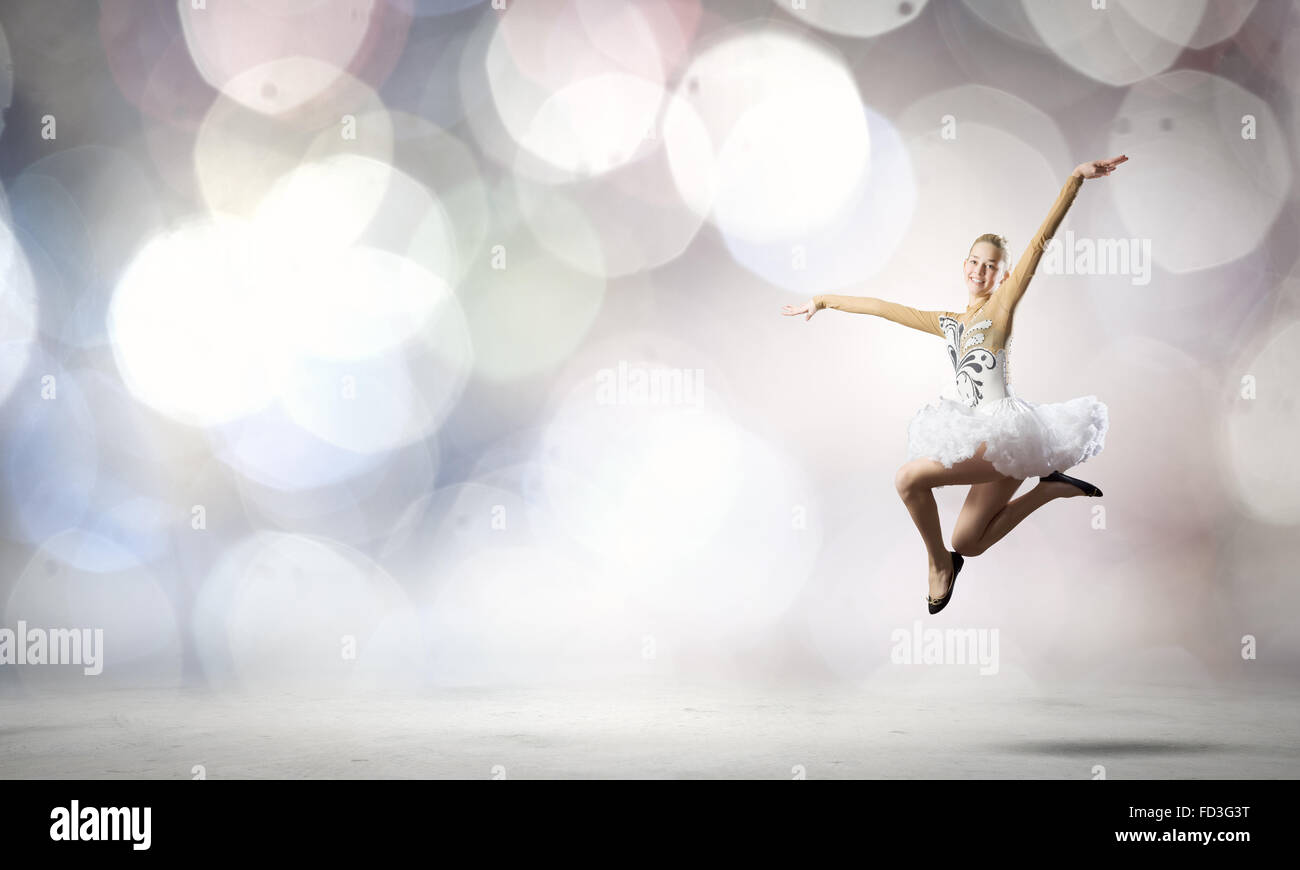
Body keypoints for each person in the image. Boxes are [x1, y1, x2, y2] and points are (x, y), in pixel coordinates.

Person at [782, 155, 1127, 614]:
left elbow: (1040, 244)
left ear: (1003, 276)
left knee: (908, 479)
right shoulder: (948, 323)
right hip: (983, 436)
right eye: (976, 263)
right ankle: (1048, 488)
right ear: (964, 265)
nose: (981, 272)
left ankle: (939, 565)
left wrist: (1074, 181)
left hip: (1007, 436)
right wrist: (824, 300)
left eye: (992, 267)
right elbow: (884, 307)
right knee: (970, 541)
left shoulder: (1002, 306)